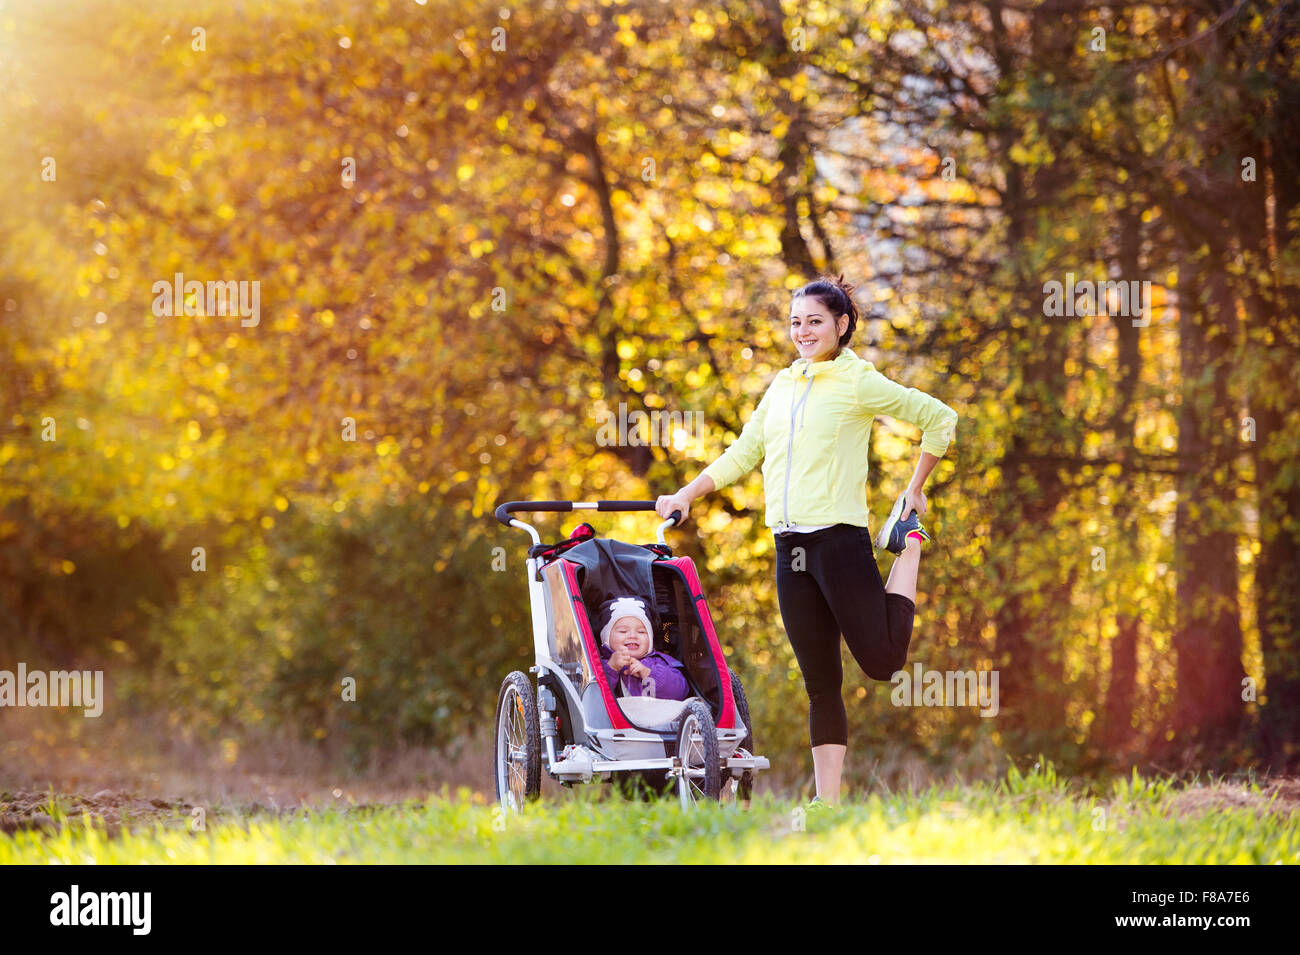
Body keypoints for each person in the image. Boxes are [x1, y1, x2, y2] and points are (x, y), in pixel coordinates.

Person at [655, 274, 958, 808]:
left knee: (883, 664)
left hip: (838, 543)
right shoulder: (782, 386)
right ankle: (828, 804)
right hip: (788, 550)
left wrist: (914, 489)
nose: (802, 331)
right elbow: (744, 454)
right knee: (820, 682)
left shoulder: (858, 381)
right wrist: (687, 492)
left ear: (842, 326)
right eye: (796, 322)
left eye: (814, 321)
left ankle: (908, 543)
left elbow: (940, 417)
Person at [594, 595, 689, 701]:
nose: (633, 635)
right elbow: (593, 700)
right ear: (606, 638)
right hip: (616, 717)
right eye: (623, 631)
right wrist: (611, 669)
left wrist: (648, 673)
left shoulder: (660, 663)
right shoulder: (596, 665)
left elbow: (680, 692)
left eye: (641, 632)